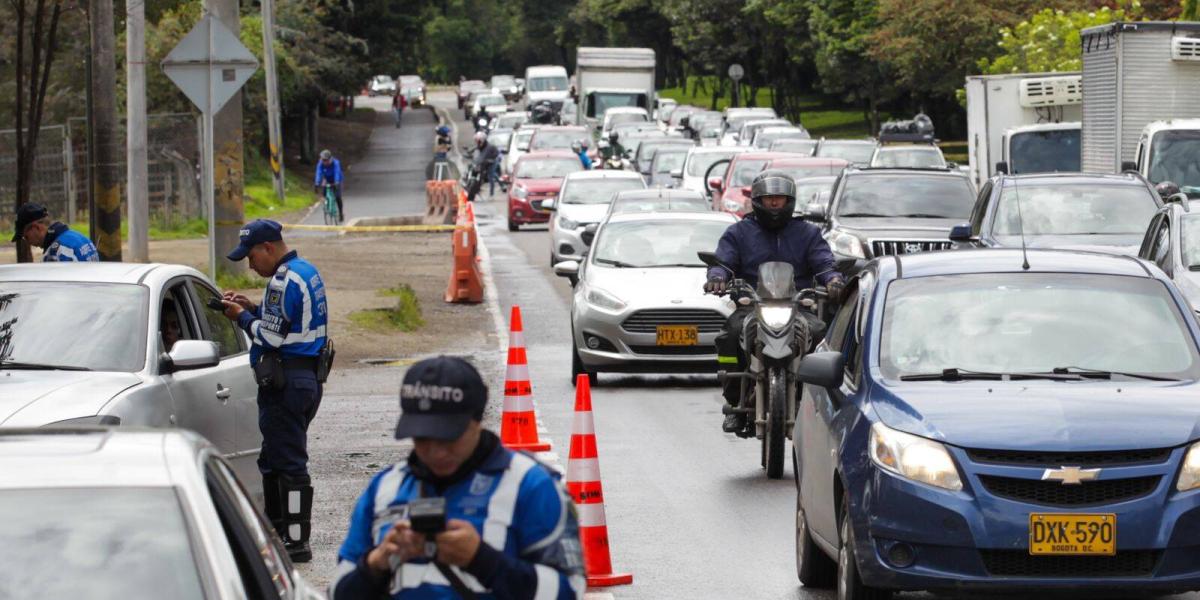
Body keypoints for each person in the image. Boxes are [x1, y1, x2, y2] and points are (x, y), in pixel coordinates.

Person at [329, 356, 585, 600]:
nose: (436, 452)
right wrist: (377, 562)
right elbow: (337, 592)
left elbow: (570, 591)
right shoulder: (385, 488)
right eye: (422, 438)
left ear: (477, 420)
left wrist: (482, 560)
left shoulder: (531, 485)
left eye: (448, 437)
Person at [220, 219, 330, 563]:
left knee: (289, 463)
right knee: (275, 459)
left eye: (251, 257)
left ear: (268, 248)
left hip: (287, 381)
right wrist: (255, 308)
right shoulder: (304, 271)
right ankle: (279, 531)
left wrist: (240, 317)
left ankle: (296, 540)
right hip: (305, 378)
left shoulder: (283, 281)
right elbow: (289, 321)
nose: (251, 266)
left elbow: (270, 338)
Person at [703, 170, 846, 434]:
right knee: (730, 335)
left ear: (789, 200)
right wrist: (717, 277)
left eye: (779, 199)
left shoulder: (807, 233)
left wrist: (834, 281)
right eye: (769, 199)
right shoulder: (739, 232)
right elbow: (723, 262)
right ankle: (734, 400)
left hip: (798, 306)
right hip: (751, 305)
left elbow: (825, 264)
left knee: (819, 334)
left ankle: (815, 402)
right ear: (758, 200)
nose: (774, 204)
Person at [11, 202, 98, 262]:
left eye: (26, 237)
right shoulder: (81, 238)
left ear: (36, 227)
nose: (27, 242)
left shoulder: (55, 253)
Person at [315, 149, 345, 223]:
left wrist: (337, 182)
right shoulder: (320, 163)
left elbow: (337, 172)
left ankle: (340, 213)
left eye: (326, 160)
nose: (324, 162)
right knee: (325, 193)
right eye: (323, 160)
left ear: (330, 159)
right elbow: (319, 173)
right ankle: (327, 204)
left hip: (336, 180)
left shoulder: (336, 163)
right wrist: (317, 183)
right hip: (327, 179)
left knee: (338, 197)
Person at [469, 132, 500, 202]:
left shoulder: (490, 147)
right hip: (483, 162)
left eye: (478, 140)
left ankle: (491, 194)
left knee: (490, 176)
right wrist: (469, 152)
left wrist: (491, 159)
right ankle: (476, 187)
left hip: (492, 163)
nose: (477, 142)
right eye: (476, 140)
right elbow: (475, 149)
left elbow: (496, 153)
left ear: (482, 140)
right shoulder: (480, 145)